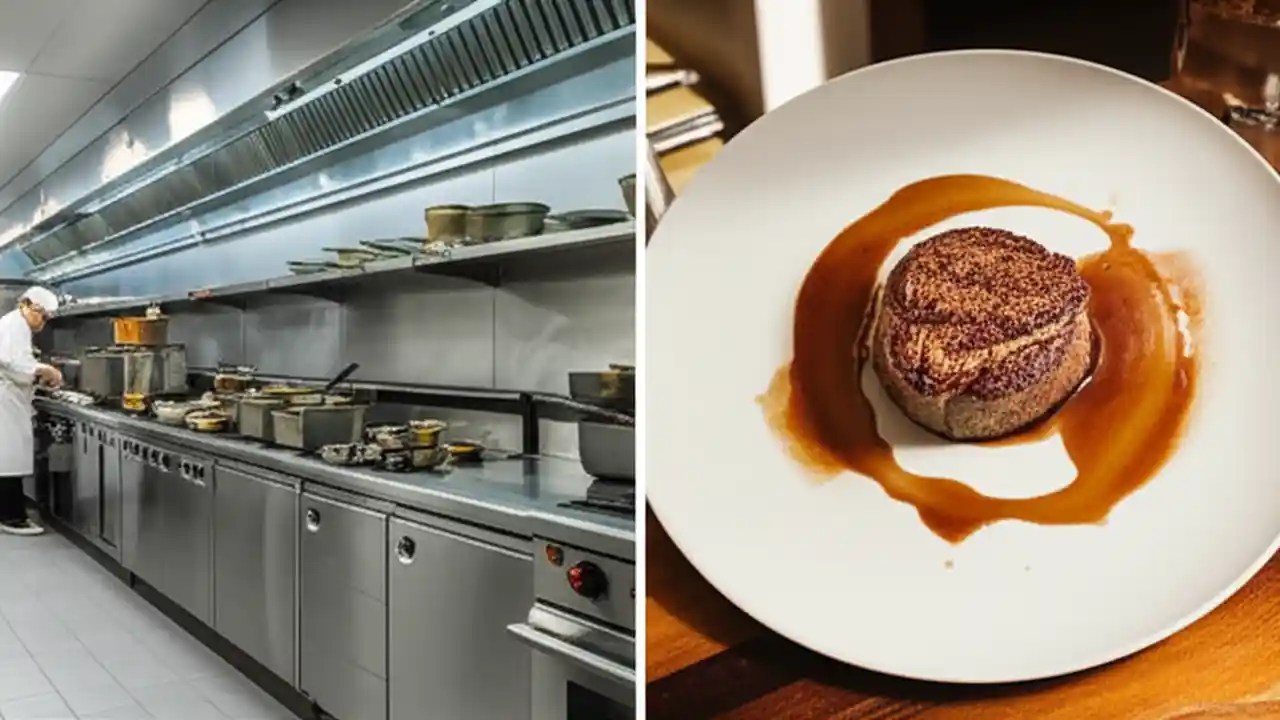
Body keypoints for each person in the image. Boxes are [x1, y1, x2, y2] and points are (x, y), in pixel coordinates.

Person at [0, 287, 62, 535]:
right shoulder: (16, 325)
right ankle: (12, 517)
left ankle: (10, 512)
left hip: (9, 397)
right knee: (9, 456)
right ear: (26, 305)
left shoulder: (14, 323)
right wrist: (46, 370)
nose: (42, 321)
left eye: (46, 317)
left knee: (8, 455)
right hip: (5, 398)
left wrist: (36, 375)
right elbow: (14, 363)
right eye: (40, 314)